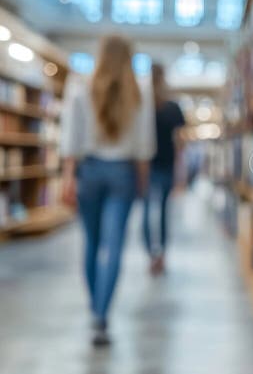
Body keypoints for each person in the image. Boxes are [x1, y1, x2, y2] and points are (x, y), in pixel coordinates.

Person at [60, 35, 155, 346]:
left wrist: (68, 178)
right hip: (123, 174)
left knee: (91, 243)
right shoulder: (139, 93)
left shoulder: (79, 89)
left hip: (89, 172)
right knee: (114, 247)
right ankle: (101, 317)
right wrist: (142, 183)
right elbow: (144, 146)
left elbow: (70, 142)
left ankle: (94, 308)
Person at [142, 63, 185, 275]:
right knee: (164, 213)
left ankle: (152, 254)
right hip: (166, 166)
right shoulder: (172, 107)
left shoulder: (143, 105)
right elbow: (179, 142)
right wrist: (180, 170)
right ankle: (162, 255)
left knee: (146, 211)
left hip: (146, 166)